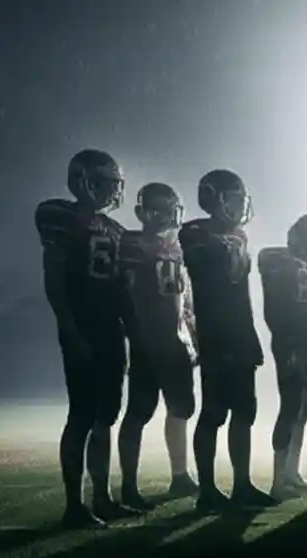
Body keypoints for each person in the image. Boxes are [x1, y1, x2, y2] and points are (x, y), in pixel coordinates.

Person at [36, 149, 135, 528]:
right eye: (106, 182)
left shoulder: (116, 230)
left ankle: (103, 497)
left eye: (115, 183)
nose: (112, 190)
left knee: (106, 416)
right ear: (83, 180)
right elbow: (55, 276)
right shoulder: (60, 216)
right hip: (85, 324)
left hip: (111, 328)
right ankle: (74, 505)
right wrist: (69, 326)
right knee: (82, 414)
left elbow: (121, 290)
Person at [180, 169, 276, 511]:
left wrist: (250, 335)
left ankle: (242, 484)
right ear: (214, 200)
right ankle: (207, 489)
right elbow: (212, 272)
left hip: (238, 331)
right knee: (214, 412)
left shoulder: (238, 235)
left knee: (245, 412)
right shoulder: (194, 232)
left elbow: (241, 291)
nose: (239, 207)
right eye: (232, 199)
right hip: (215, 334)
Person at [116, 183, 199, 511]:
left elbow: (185, 301)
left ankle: (180, 474)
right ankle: (128, 485)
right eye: (160, 208)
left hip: (176, 341)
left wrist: (192, 338)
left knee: (181, 409)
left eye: (170, 208)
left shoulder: (178, 250)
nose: (167, 215)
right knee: (139, 412)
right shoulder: (130, 245)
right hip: (147, 341)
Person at [258, 214, 307, 498]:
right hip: (289, 343)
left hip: (305, 343)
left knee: (304, 407)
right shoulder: (278, 261)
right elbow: (275, 311)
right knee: (289, 407)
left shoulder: (305, 268)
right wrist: (289, 348)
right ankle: (278, 480)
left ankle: (292, 472)